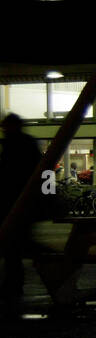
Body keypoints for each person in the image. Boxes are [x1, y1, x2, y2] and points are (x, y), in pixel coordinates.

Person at [1, 113, 42, 304]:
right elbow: (44, 170)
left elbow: (6, 172)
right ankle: (14, 283)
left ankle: (14, 283)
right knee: (17, 243)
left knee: (13, 244)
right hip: (26, 201)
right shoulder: (28, 143)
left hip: (16, 201)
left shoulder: (12, 145)